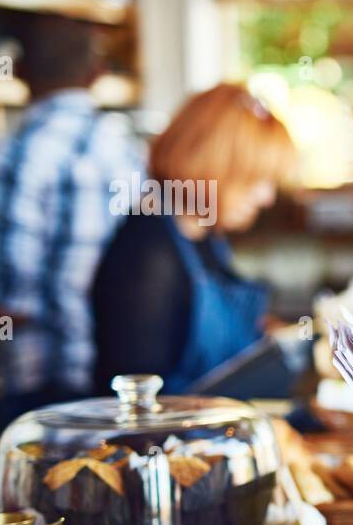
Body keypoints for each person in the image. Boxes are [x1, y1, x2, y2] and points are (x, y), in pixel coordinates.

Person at [0, 16, 144, 422]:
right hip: (116, 371)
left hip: (44, 382)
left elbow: (10, 301)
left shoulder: (16, 152)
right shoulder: (127, 147)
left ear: (20, 70)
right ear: (97, 73)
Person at [91, 83, 296, 393]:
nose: (266, 197)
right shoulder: (148, 254)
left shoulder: (207, 237)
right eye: (255, 179)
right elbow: (139, 408)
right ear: (212, 164)